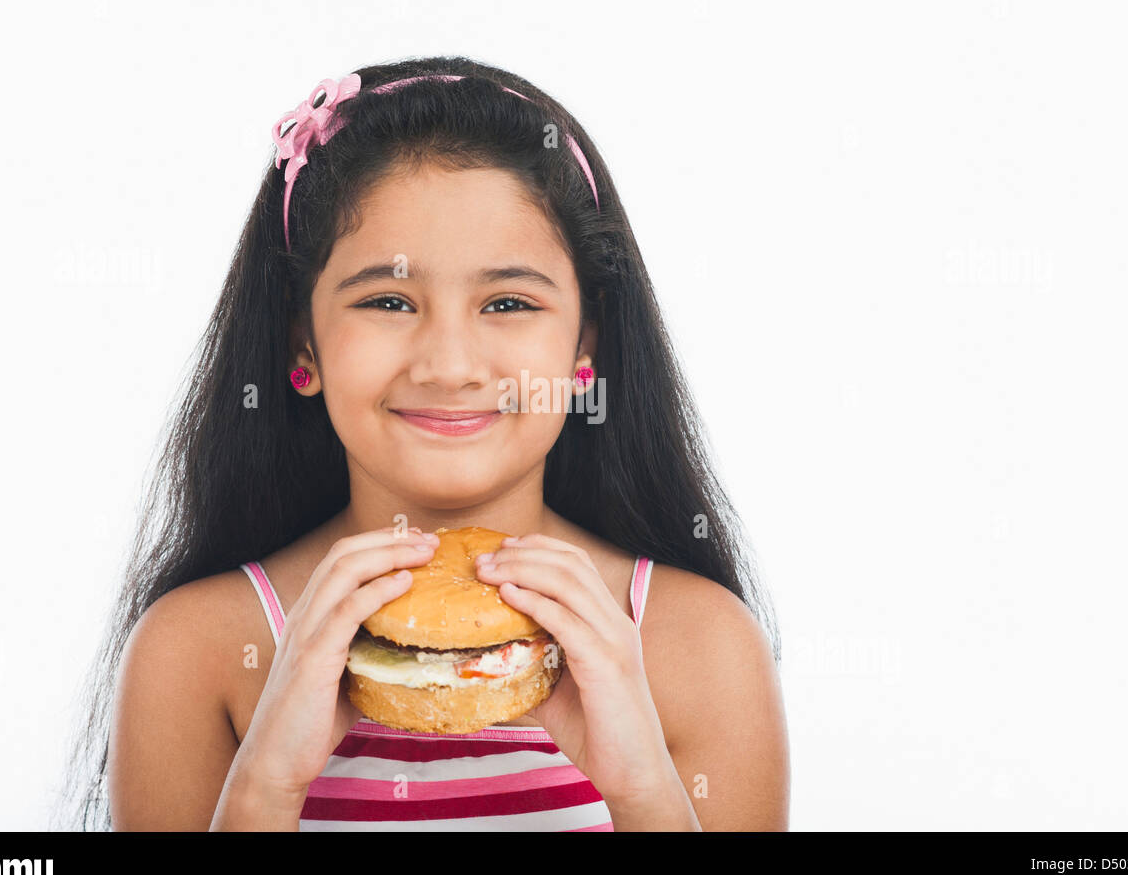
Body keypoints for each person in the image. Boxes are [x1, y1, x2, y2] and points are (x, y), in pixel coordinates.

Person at [55, 56, 788, 831]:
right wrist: (266, 782)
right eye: (389, 300)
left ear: (587, 348)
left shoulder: (698, 645)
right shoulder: (197, 651)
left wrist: (644, 790)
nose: (448, 366)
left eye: (507, 301)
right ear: (303, 343)